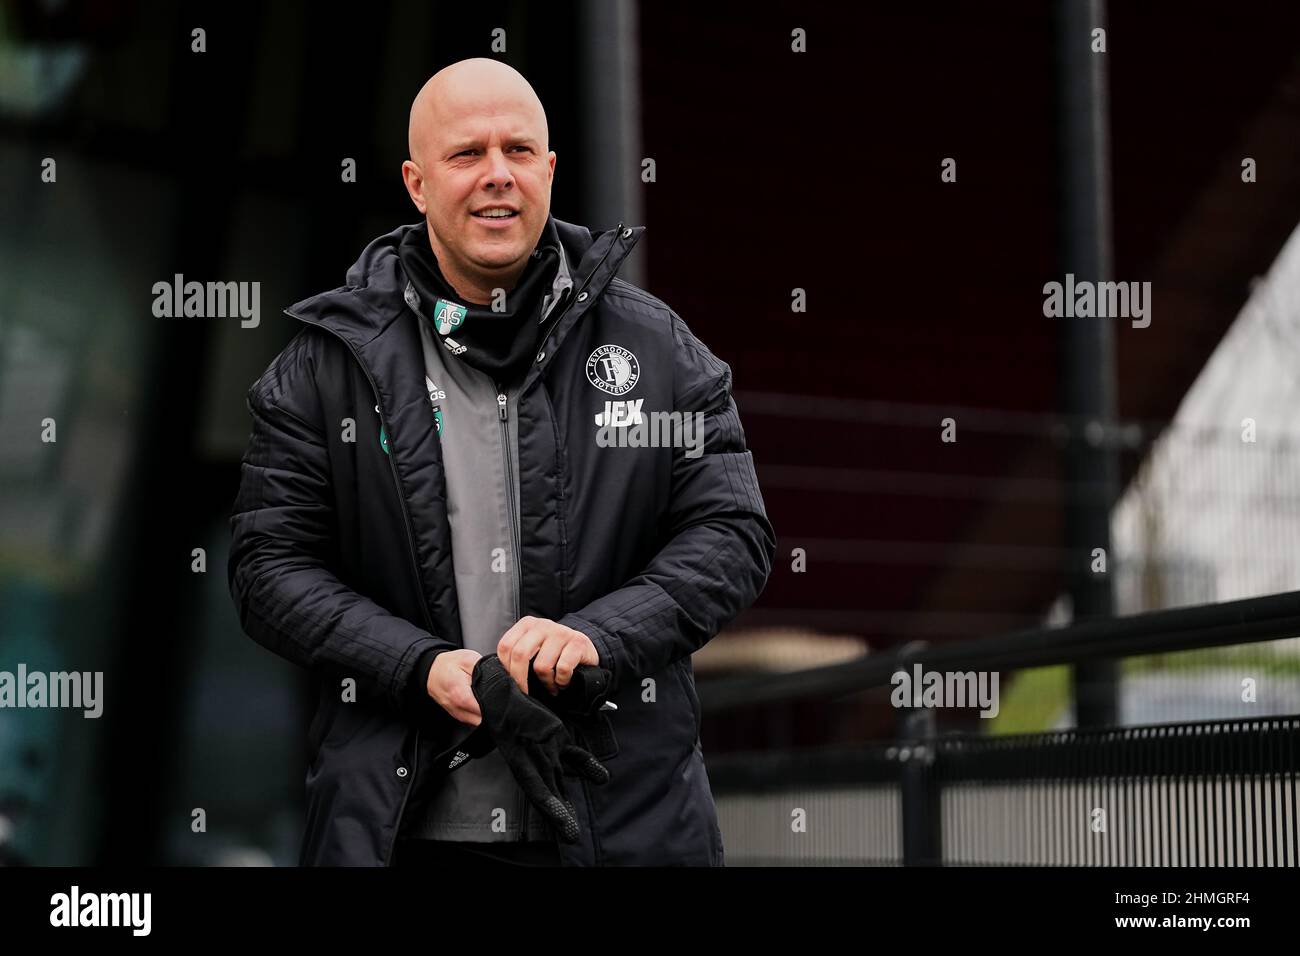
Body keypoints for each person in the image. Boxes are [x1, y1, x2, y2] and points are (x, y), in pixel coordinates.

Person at [227, 57, 775, 867]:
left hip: (624, 828)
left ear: (549, 170)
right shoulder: (323, 367)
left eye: (519, 151)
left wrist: (595, 640)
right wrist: (416, 667)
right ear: (416, 183)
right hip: (398, 833)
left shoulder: (657, 349)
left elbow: (733, 533)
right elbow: (267, 566)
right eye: (466, 155)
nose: (497, 177)